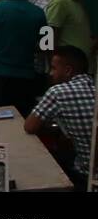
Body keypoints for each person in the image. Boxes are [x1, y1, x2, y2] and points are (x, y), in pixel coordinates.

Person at [24, 46, 96, 191]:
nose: (50, 73)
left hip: (87, 175)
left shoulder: (58, 92)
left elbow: (30, 127)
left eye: (53, 68)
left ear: (68, 70)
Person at [45, 0, 95, 71]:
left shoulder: (75, 2)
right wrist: (53, 69)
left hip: (78, 69)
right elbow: (48, 37)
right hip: (66, 72)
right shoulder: (60, 1)